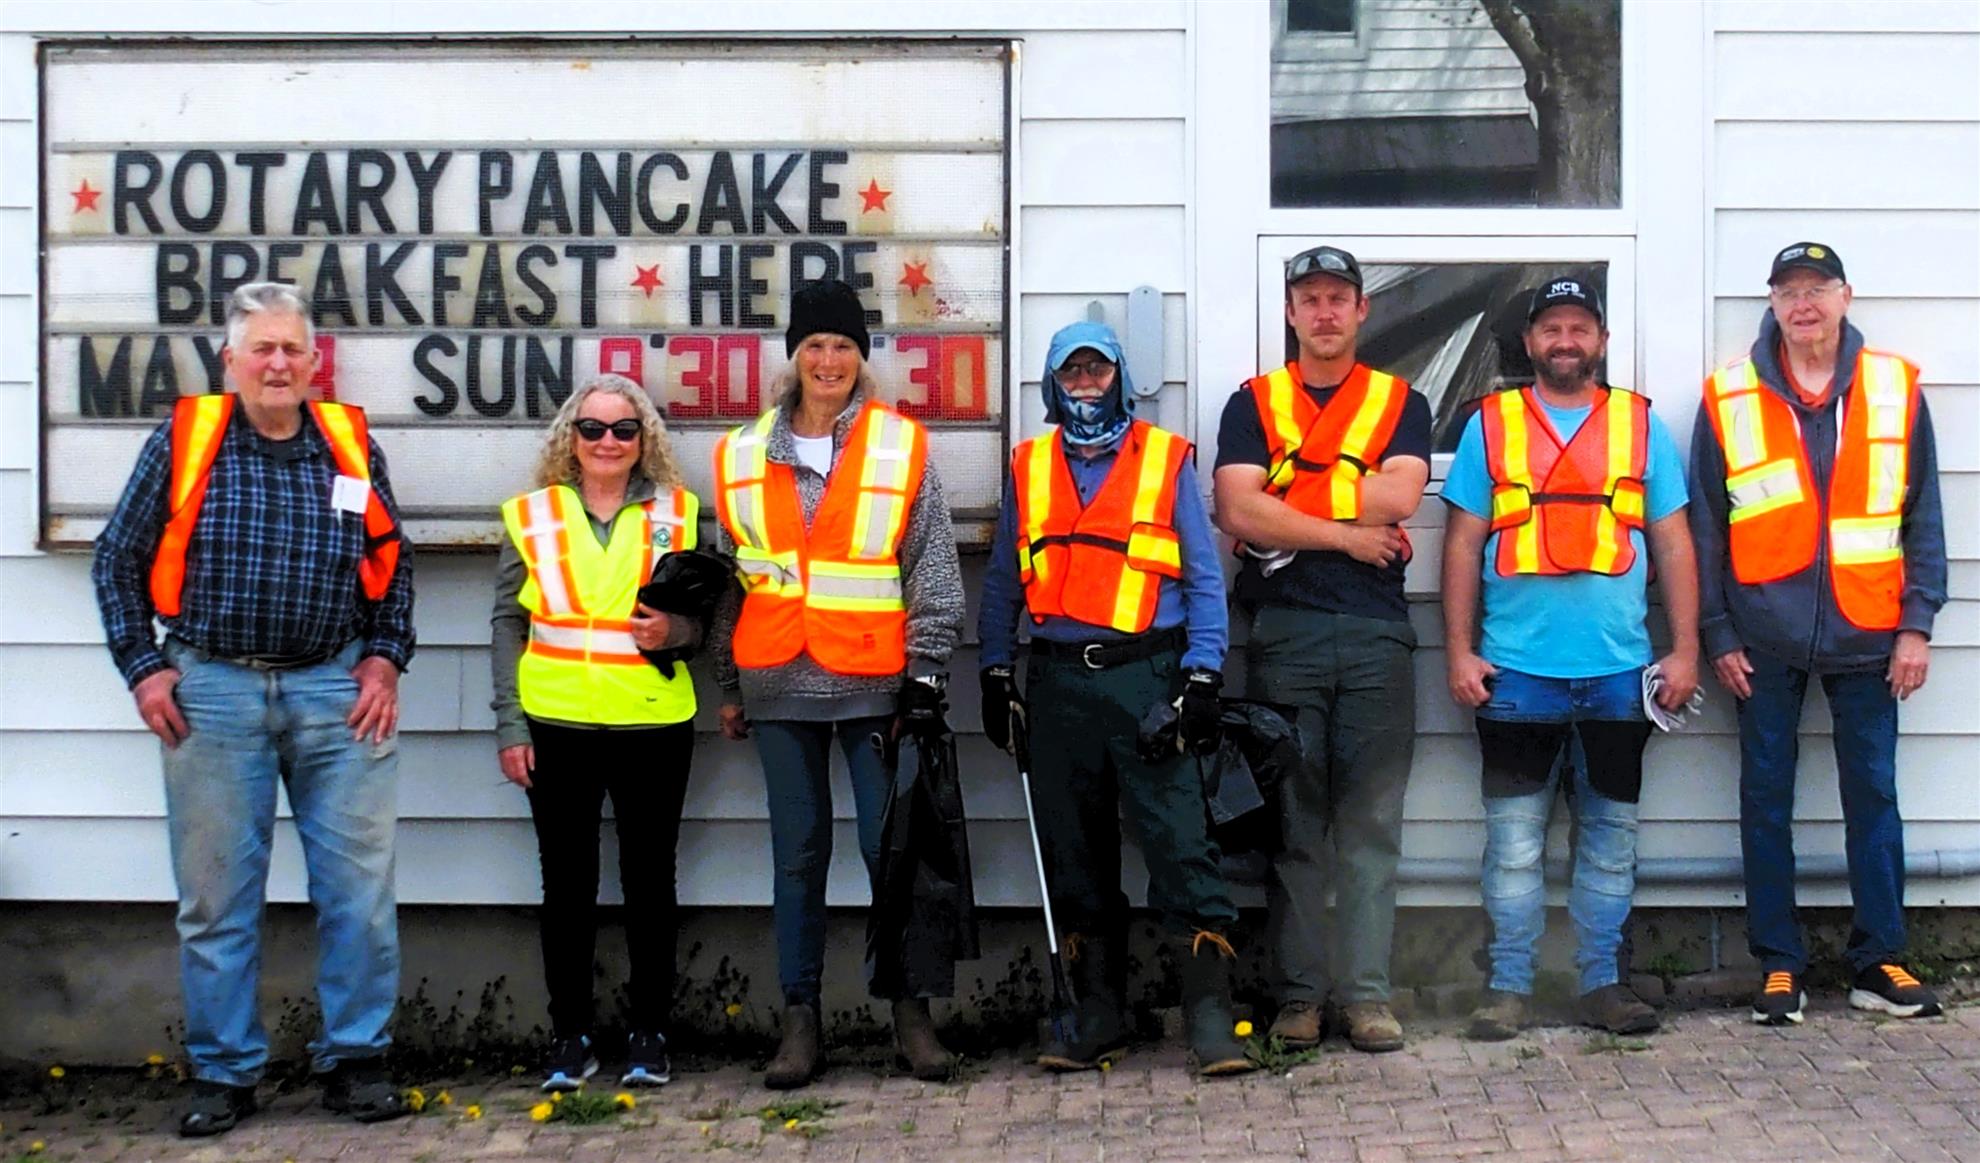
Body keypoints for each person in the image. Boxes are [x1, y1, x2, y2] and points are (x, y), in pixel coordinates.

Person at [90, 283, 414, 1136]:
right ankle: (224, 1072)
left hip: (334, 687)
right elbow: (115, 558)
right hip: (213, 689)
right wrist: (144, 669)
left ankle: (357, 1059)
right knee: (215, 896)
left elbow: (393, 562)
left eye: (292, 350)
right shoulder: (186, 441)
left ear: (314, 363)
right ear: (230, 361)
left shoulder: (347, 444)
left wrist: (385, 658)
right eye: (261, 349)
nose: (278, 363)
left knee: (360, 888)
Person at [709, 279, 966, 1088]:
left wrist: (925, 672)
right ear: (795, 355)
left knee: (888, 854)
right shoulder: (742, 452)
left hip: (874, 683)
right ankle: (800, 1020)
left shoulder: (898, 446)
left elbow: (932, 566)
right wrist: (727, 680)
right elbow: (735, 580)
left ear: (862, 358)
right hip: (778, 680)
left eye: (843, 347)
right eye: (815, 345)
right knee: (798, 855)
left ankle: (910, 1015)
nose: (828, 361)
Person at [979, 320, 1253, 1078]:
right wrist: (996, 670)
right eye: (1073, 373)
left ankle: (1208, 1017)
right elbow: (1004, 580)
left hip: (1148, 677)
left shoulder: (1163, 459)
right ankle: (1099, 1015)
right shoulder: (1029, 466)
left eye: (1099, 371)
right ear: (1051, 384)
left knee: (1179, 843)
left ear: (1121, 378)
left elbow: (1203, 577)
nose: (1087, 385)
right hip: (1059, 681)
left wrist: (1202, 673)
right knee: (1074, 851)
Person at [1690, 243, 1947, 1025]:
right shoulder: (1728, 395)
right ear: (1772, 304)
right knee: (1764, 798)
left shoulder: (1895, 389)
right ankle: (1779, 964)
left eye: (1818, 288)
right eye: (1788, 291)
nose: (1804, 304)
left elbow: (1922, 514)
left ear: (1846, 296)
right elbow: (1707, 526)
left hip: (1872, 632)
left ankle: (1882, 959)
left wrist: (1918, 623)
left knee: (1874, 796)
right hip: (1762, 638)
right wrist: (1716, 629)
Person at [1440, 277, 1699, 1042]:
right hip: (1516, 673)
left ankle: (1602, 982)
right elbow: (1460, 542)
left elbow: (1676, 540)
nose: (1564, 339)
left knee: (1611, 839)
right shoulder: (1491, 424)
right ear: (1529, 343)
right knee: (1514, 844)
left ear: (1601, 341)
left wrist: (1685, 648)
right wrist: (1458, 649)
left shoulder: (1639, 425)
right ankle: (1509, 984)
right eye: (1550, 327)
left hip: (1621, 673)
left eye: (1578, 326)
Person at [1212, 245, 1431, 1054]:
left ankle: (1368, 997)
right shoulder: (1253, 403)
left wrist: (1284, 497)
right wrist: (1347, 531)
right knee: (1295, 827)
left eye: (1340, 297)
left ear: (1362, 309)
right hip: (1285, 635)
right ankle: (1299, 999)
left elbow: (1402, 493)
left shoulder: (1400, 400)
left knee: (1371, 824)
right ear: (1291, 312)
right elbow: (1237, 508)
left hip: (1377, 636)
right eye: (1310, 298)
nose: (1326, 312)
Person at [491, 375, 704, 1091]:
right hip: (556, 724)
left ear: (644, 440)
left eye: (623, 429)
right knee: (567, 887)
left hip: (652, 718)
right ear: (570, 439)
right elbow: (505, 622)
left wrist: (676, 630)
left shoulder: (679, 512)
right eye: (592, 429)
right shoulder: (533, 515)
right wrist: (508, 721)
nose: (607, 442)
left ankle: (650, 1031)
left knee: (651, 883)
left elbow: (704, 618)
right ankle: (570, 1033)